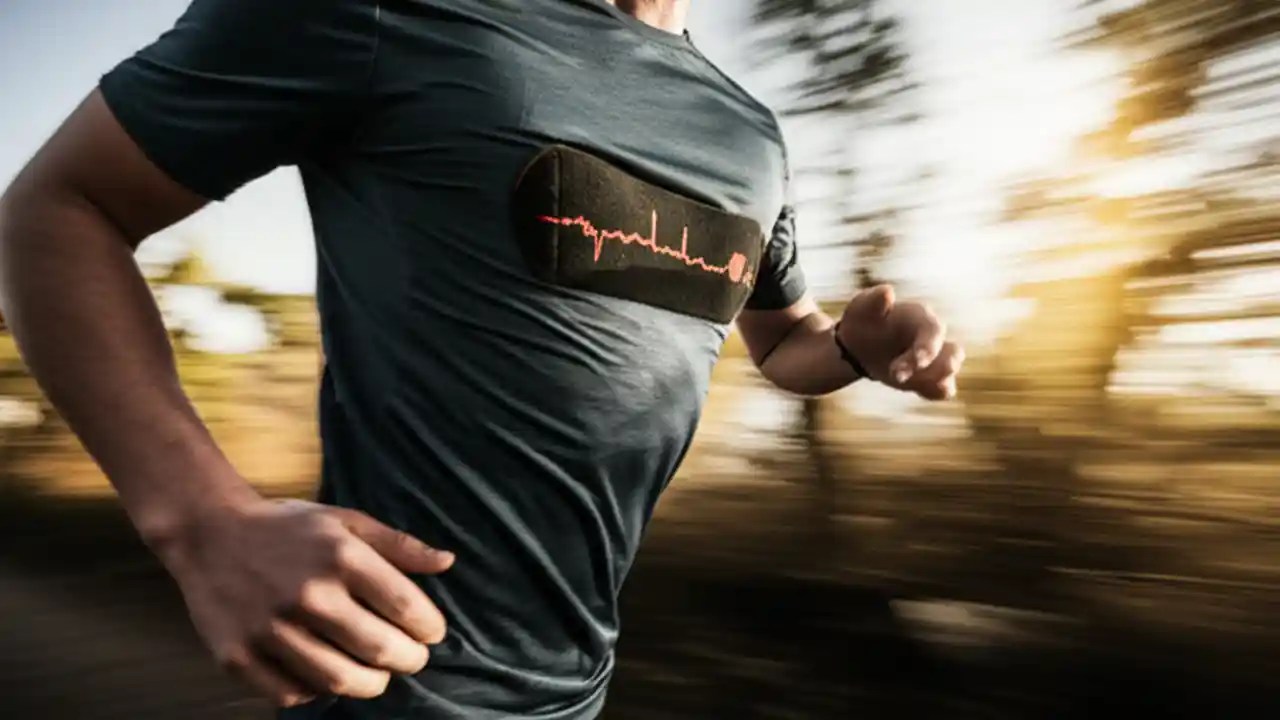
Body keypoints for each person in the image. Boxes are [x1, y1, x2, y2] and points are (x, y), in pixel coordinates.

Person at [0, 1, 964, 718]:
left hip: (582, 679)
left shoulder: (748, 133)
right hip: (391, 672)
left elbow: (783, 342)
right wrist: (202, 521)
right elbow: (56, 210)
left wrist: (854, 347)